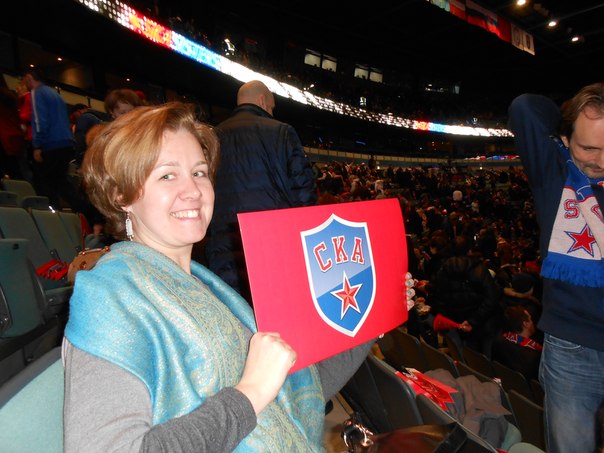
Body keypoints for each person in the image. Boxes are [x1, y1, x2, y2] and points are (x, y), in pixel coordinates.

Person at [62, 102, 373, 452]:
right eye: (167, 175)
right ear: (121, 195)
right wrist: (249, 394)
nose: (193, 190)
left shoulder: (208, 287)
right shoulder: (109, 299)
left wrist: (373, 314)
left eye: (199, 172)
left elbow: (292, 395)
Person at [508, 84, 604, 453]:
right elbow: (526, 106)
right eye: (588, 147)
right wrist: (579, 112)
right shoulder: (554, 173)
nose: (599, 160)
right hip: (572, 348)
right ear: (564, 139)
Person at [205, 80, 317, 304]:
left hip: (224, 246)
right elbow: (304, 195)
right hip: (275, 245)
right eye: (272, 107)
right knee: (277, 310)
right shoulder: (282, 132)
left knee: (235, 313)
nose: (272, 112)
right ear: (263, 101)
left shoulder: (213, 137)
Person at [23, 68, 80, 210]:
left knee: (46, 183)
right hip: (65, 142)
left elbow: (40, 121)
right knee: (60, 181)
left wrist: (37, 145)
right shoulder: (54, 93)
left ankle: (52, 212)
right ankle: (85, 210)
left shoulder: (37, 93)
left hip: (50, 143)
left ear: (30, 78)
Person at [491, 306, 542, 381]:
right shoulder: (536, 355)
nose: (532, 322)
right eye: (530, 319)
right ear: (525, 324)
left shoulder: (499, 340)